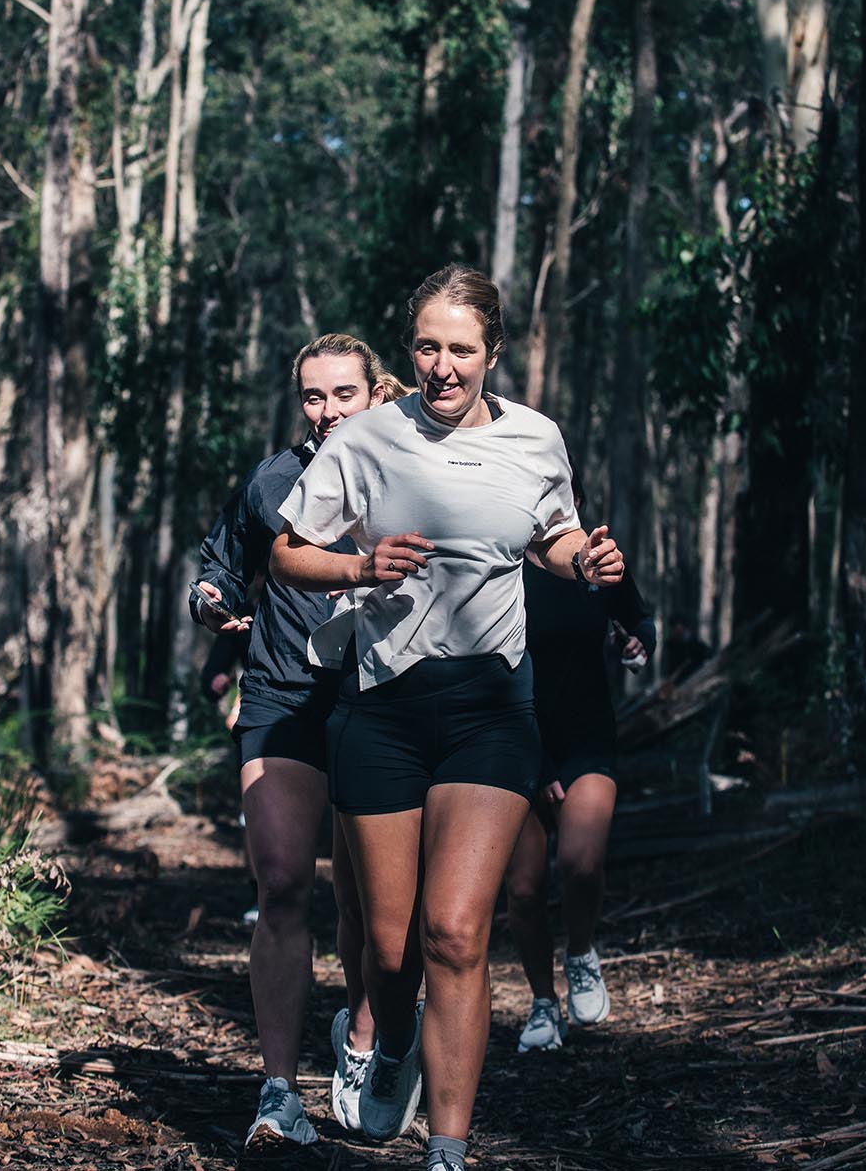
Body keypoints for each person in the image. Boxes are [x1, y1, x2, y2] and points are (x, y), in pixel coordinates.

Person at [269, 264, 624, 1171]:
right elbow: (286, 551)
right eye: (427, 344)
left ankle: (450, 1151)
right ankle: (388, 1037)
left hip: (492, 704)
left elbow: (549, 533)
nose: (441, 364)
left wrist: (586, 559)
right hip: (383, 709)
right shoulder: (369, 439)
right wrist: (359, 568)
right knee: (389, 951)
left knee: (456, 931)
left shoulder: (538, 439)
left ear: (493, 352)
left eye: (461, 348)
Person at [190, 334, 403, 1149]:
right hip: (281, 697)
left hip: (378, 702)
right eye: (312, 397)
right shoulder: (274, 481)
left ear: (372, 391)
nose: (327, 411)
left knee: (368, 906)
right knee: (281, 883)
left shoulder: (406, 471)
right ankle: (277, 1091)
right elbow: (218, 568)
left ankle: (362, 1036)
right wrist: (210, 602)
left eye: (342, 394)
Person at [505, 473, 656, 1052]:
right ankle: (543, 1003)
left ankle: (582, 953)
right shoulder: (504, 569)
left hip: (587, 736)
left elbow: (636, 618)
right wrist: (537, 763)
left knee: (581, 864)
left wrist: (636, 643)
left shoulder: (596, 563)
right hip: (517, 740)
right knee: (522, 889)